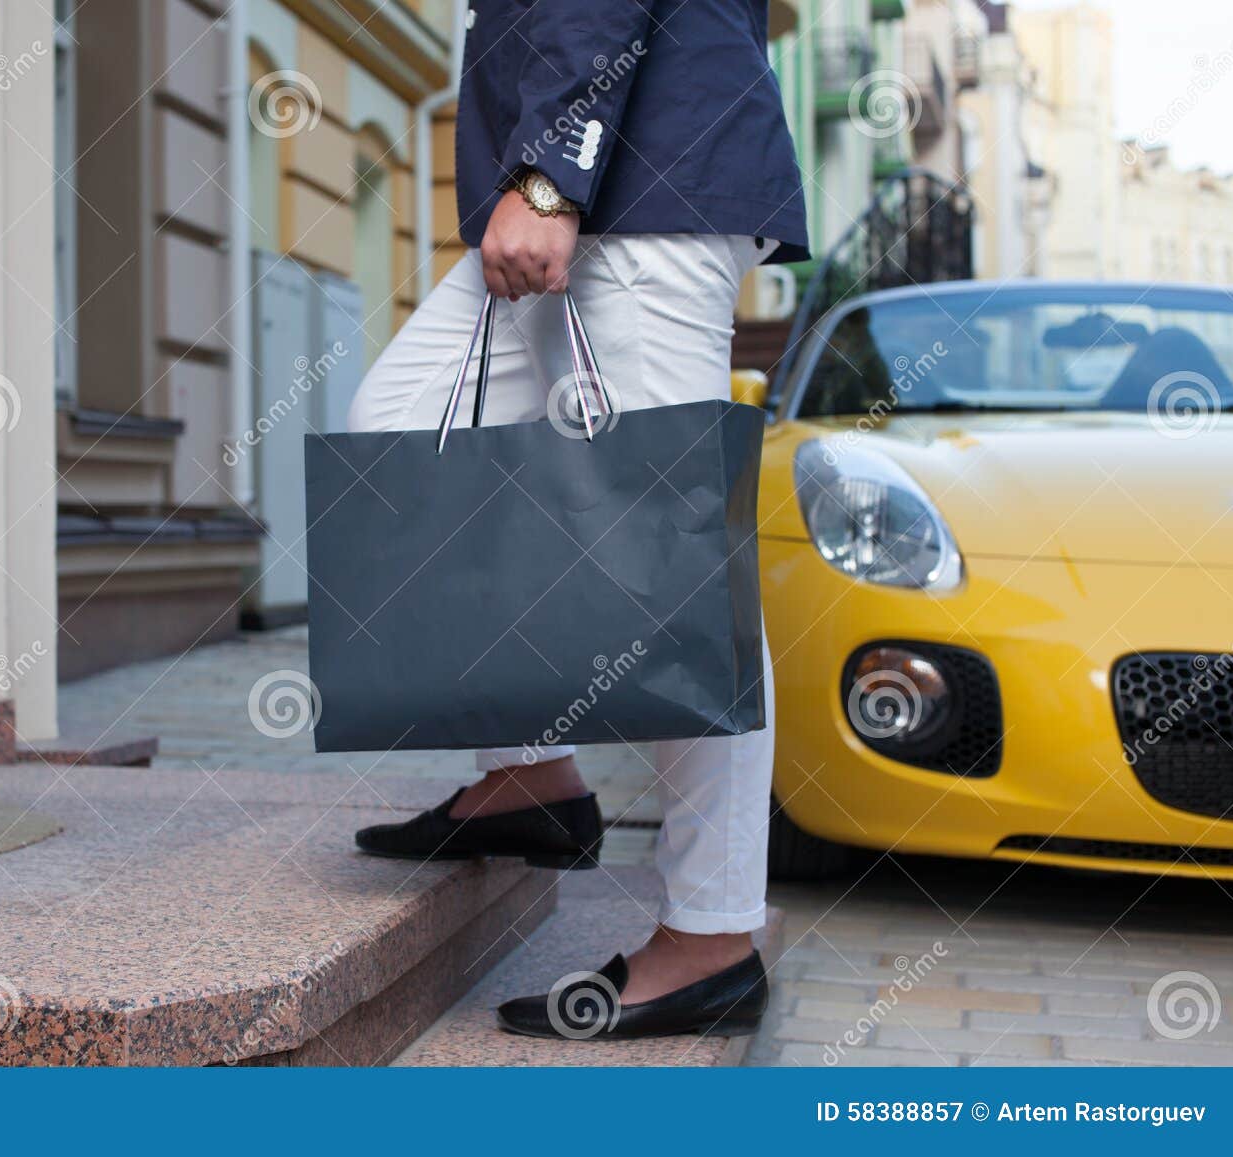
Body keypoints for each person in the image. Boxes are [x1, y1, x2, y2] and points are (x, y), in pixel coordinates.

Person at [346, 0, 808, 1040]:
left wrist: (553, 173)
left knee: (671, 560)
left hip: (644, 174)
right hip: (595, 175)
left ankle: (710, 936)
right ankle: (529, 777)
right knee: (399, 424)